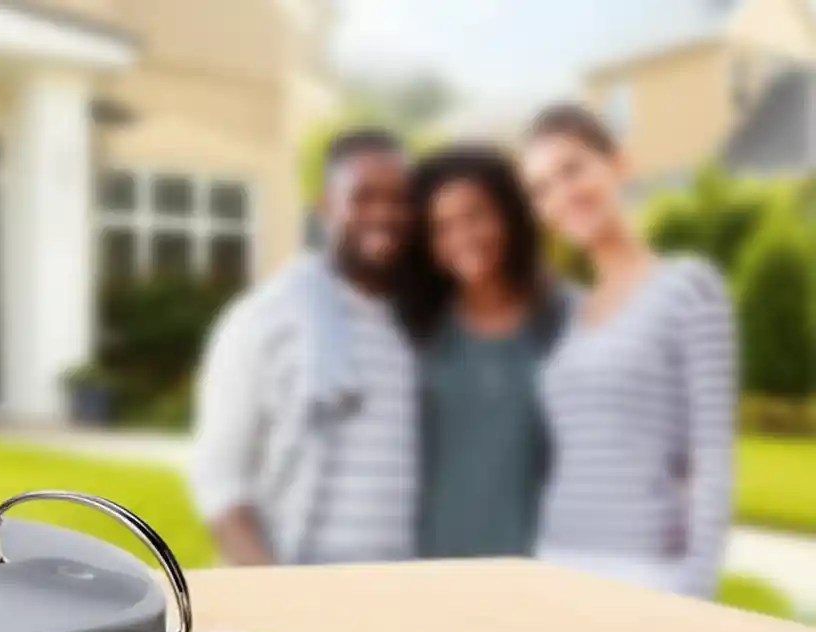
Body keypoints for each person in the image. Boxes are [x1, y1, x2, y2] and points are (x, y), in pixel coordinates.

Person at [521, 104, 738, 598]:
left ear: (618, 164)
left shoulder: (688, 287)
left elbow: (712, 456)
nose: (562, 195)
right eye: (542, 188)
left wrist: (694, 589)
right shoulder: (571, 315)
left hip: (646, 570)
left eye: (572, 169)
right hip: (556, 559)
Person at [189, 128, 418, 566]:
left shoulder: (422, 326)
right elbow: (219, 484)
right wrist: (282, 599)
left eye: (400, 199)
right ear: (327, 206)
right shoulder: (264, 319)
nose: (385, 214)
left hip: (406, 598)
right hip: (296, 585)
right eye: (364, 197)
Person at [397, 145, 569, 560]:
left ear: (509, 216)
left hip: (541, 570)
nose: (462, 238)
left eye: (475, 215)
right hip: (433, 566)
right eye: (442, 227)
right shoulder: (420, 329)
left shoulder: (569, 322)